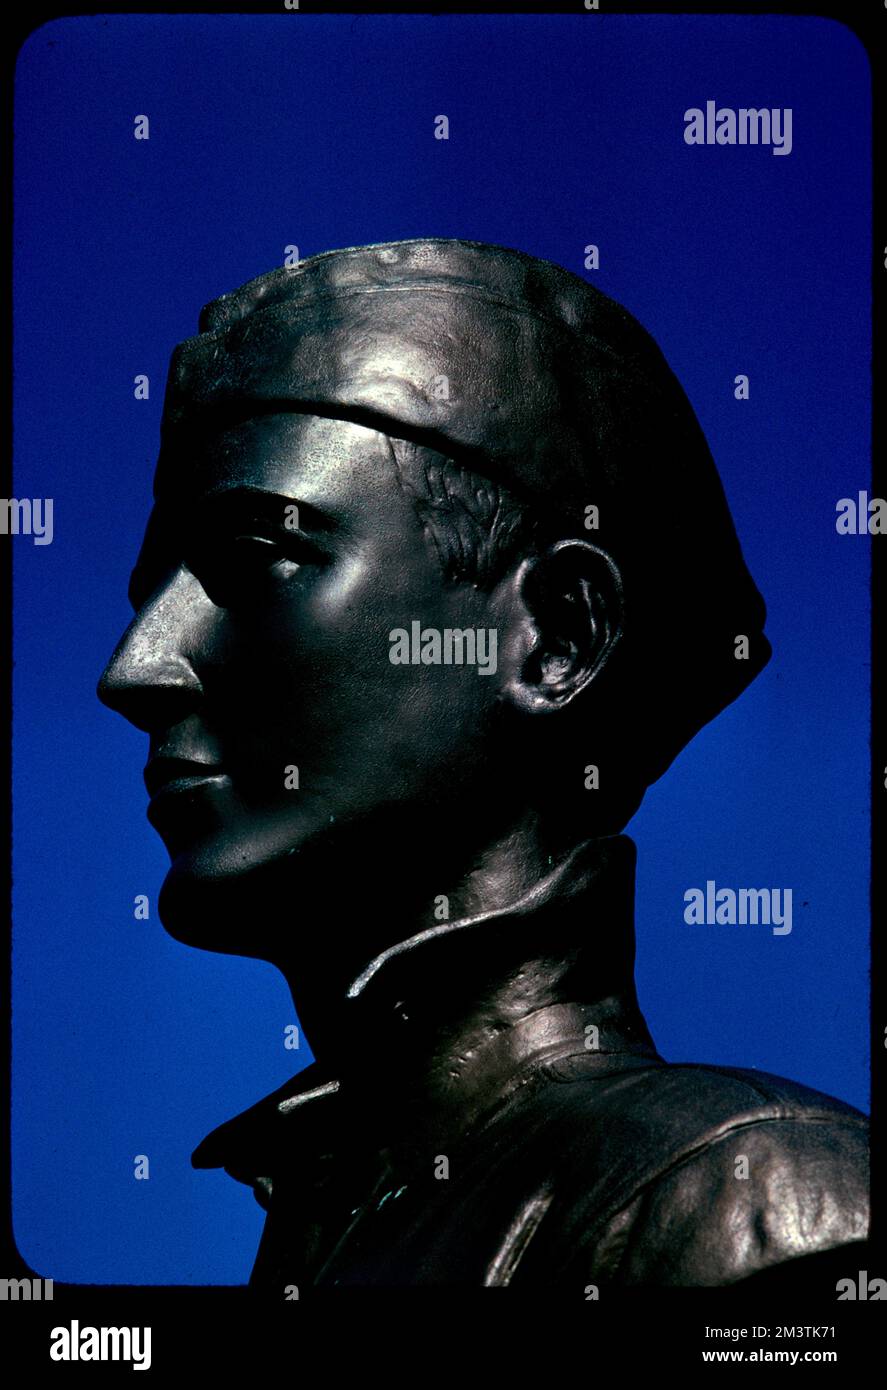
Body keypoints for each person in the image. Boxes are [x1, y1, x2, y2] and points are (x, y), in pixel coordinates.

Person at [98, 238, 868, 1289]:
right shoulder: (335, 1222)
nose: (134, 666)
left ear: (554, 637)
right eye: (149, 590)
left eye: (253, 560)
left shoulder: (747, 1208)